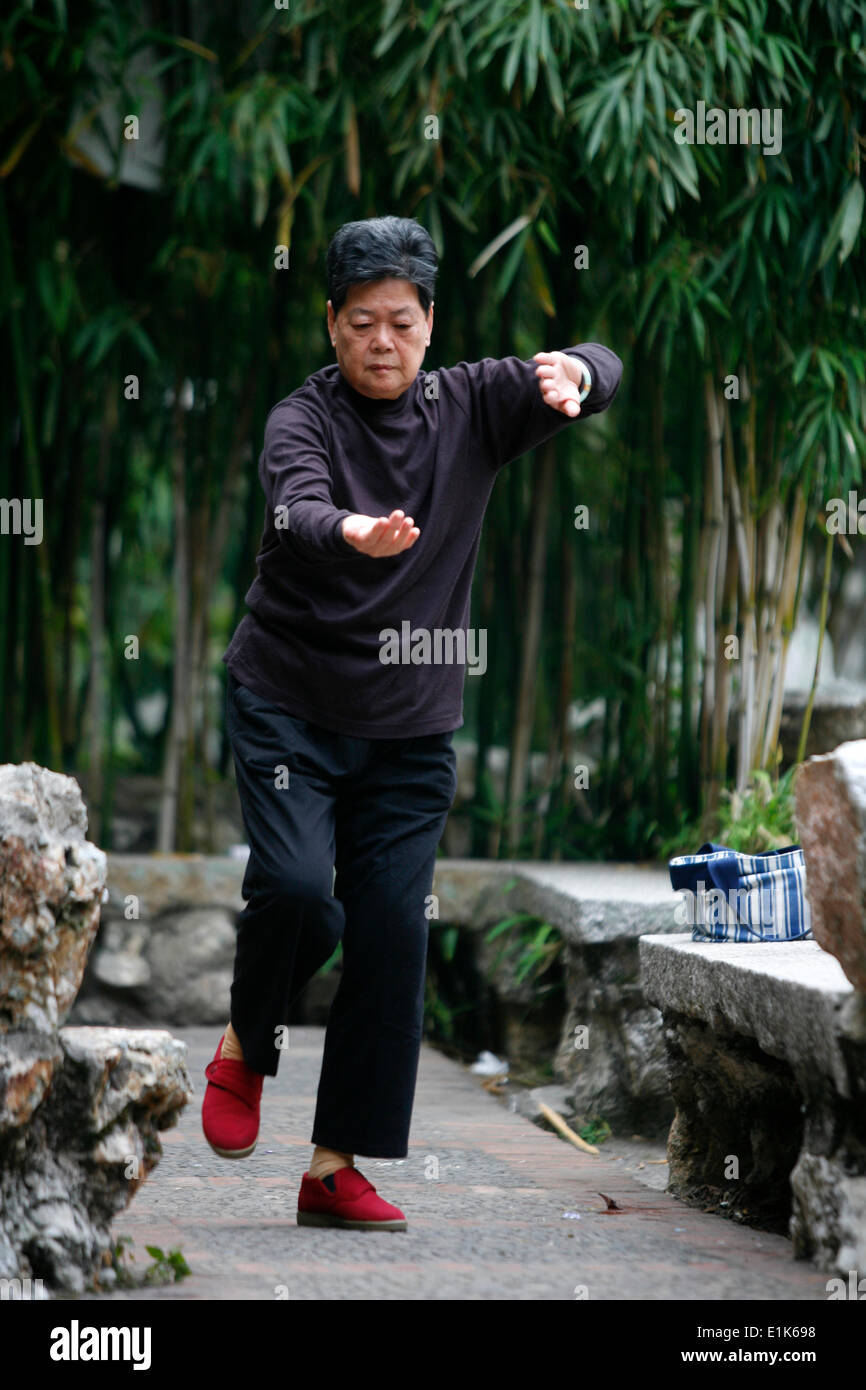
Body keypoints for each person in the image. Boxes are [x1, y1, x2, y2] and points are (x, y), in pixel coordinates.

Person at [203, 214, 623, 1231]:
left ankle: (332, 1165)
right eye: (358, 322)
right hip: (288, 703)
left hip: (410, 728)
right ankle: (244, 1040)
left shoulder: (471, 404)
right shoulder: (300, 422)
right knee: (301, 891)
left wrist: (575, 371)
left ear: (429, 322)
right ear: (331, 325)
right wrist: (349, 528)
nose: (378, 341)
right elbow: (297, 506)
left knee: (392, 930)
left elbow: (601, 359)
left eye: (398, 320)